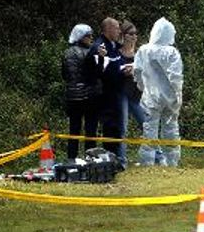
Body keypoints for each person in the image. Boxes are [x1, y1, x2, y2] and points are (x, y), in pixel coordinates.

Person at [133, 17, 184, 167]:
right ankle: (172, 162)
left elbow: (137, 71)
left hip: (151, 96)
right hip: (170, 97)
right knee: (171, 129)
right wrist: (178, 95)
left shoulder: (144, 50)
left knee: (149, 130)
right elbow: (176, 77)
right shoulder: (172, 52)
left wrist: (143, 87)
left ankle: (147, 162)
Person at [61, 23, 102, 160]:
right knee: (90, 130)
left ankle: (71, 158)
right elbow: (95, 74)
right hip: (90, 96)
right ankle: (89, 159)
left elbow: (65, 75)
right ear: (80, 36)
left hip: (72, 96)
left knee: (74, 130)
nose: (91, 38)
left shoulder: (67, 53)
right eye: (88, 35)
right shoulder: (91, 52)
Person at [90, 17, 127, 168]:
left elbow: (119, 61)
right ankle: (109, 161)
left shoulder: (114, 46)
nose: (119, 31)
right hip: (106, 95)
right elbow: (101, 71)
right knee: (110, 128)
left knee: (117, 128)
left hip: (117, 93)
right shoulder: (100, 47)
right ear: (108, 29)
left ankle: (116, 159)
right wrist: (121, 72)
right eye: (117, 28)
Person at [118, 20, 146, 153]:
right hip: (122, 93)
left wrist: (136, 71)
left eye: (136, 34)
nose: (134, 36)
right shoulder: (117, 52)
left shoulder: (140, 53)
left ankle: (156, 156)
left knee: (146, 125)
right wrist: (122, 72)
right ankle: (121, 160)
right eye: (131, 33)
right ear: (123, 35)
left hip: (137, 95)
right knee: (122, 128)